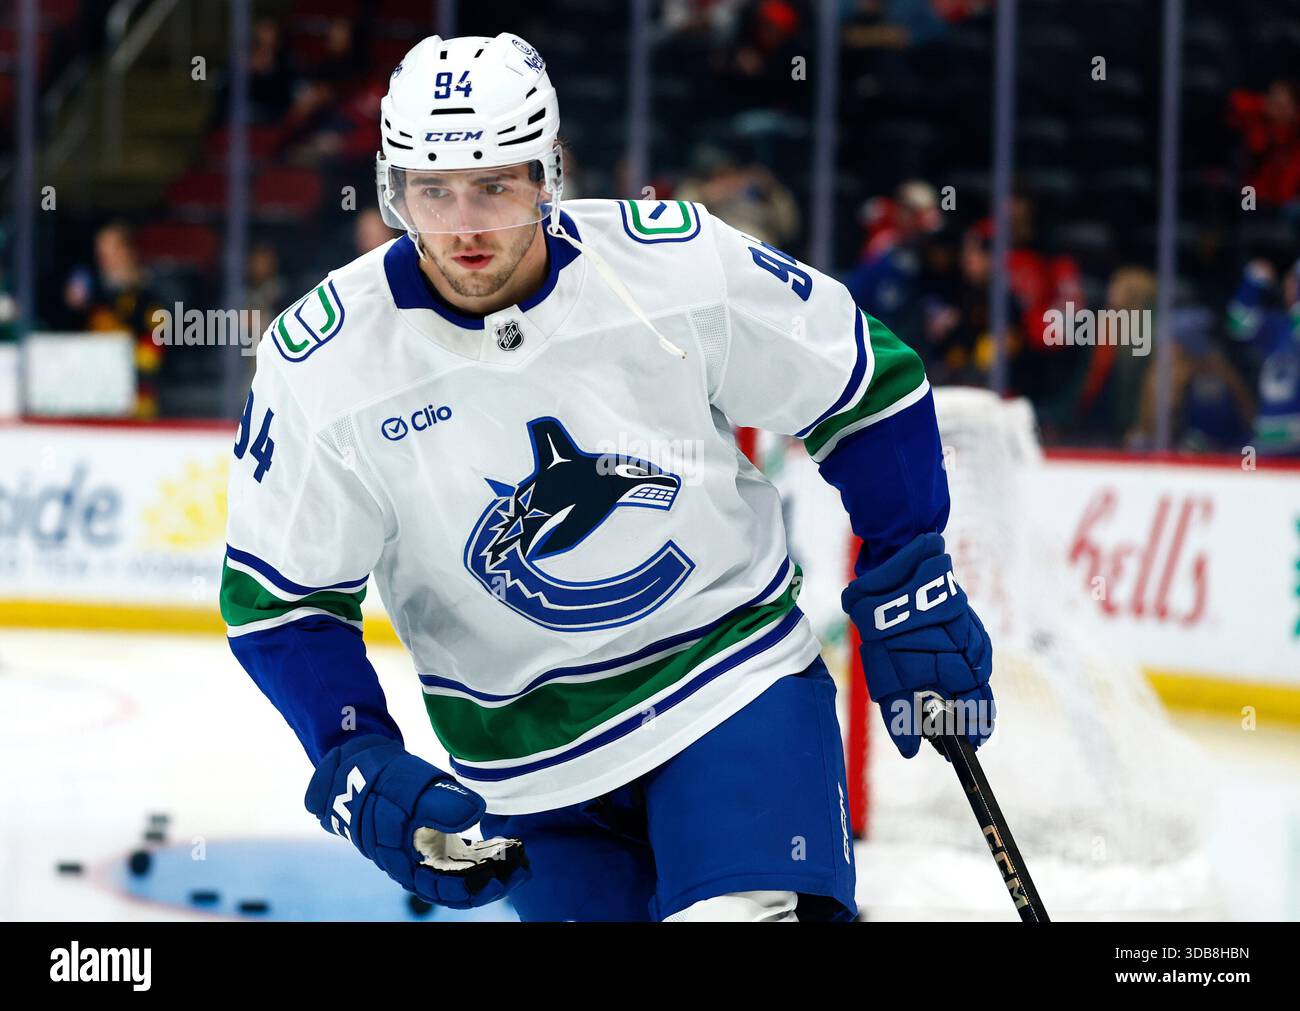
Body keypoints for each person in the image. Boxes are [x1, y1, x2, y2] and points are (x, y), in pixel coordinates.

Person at [221, 33, 994, 922]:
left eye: (494, 185)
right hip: (524, 765)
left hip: (729, 679)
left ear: (547, 176)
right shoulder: (322, 362)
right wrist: (351, 748)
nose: (464, 226)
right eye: (432, 192)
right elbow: (280, 599)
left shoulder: (671, 263)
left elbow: (863, 381)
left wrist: (909, 571)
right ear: (394, 191)